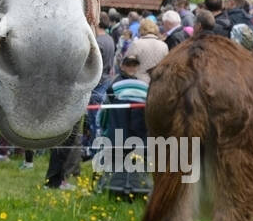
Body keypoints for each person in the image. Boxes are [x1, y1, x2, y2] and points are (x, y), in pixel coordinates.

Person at [47, 15, 116, 190]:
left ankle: (59, 178)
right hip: (69, 97)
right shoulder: (74, 47)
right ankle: (55, 179)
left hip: (76, 96)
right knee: (64, 140)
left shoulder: (82, 45)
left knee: (68, 140)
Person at [93, 54, 151, 197]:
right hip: (131, 135)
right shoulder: (139, 87)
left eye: (134, 65)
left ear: (137, 67)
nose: (131, 68)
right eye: (128, 64)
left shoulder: (118, 85)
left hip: (123, 135)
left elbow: (103, 114)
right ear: (122, 66)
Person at [127, 16, 169, 81]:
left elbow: (127, 63)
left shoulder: (136, 44)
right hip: (157, 81)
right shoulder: (164, 46)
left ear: (141, 29)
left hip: (140, 82)